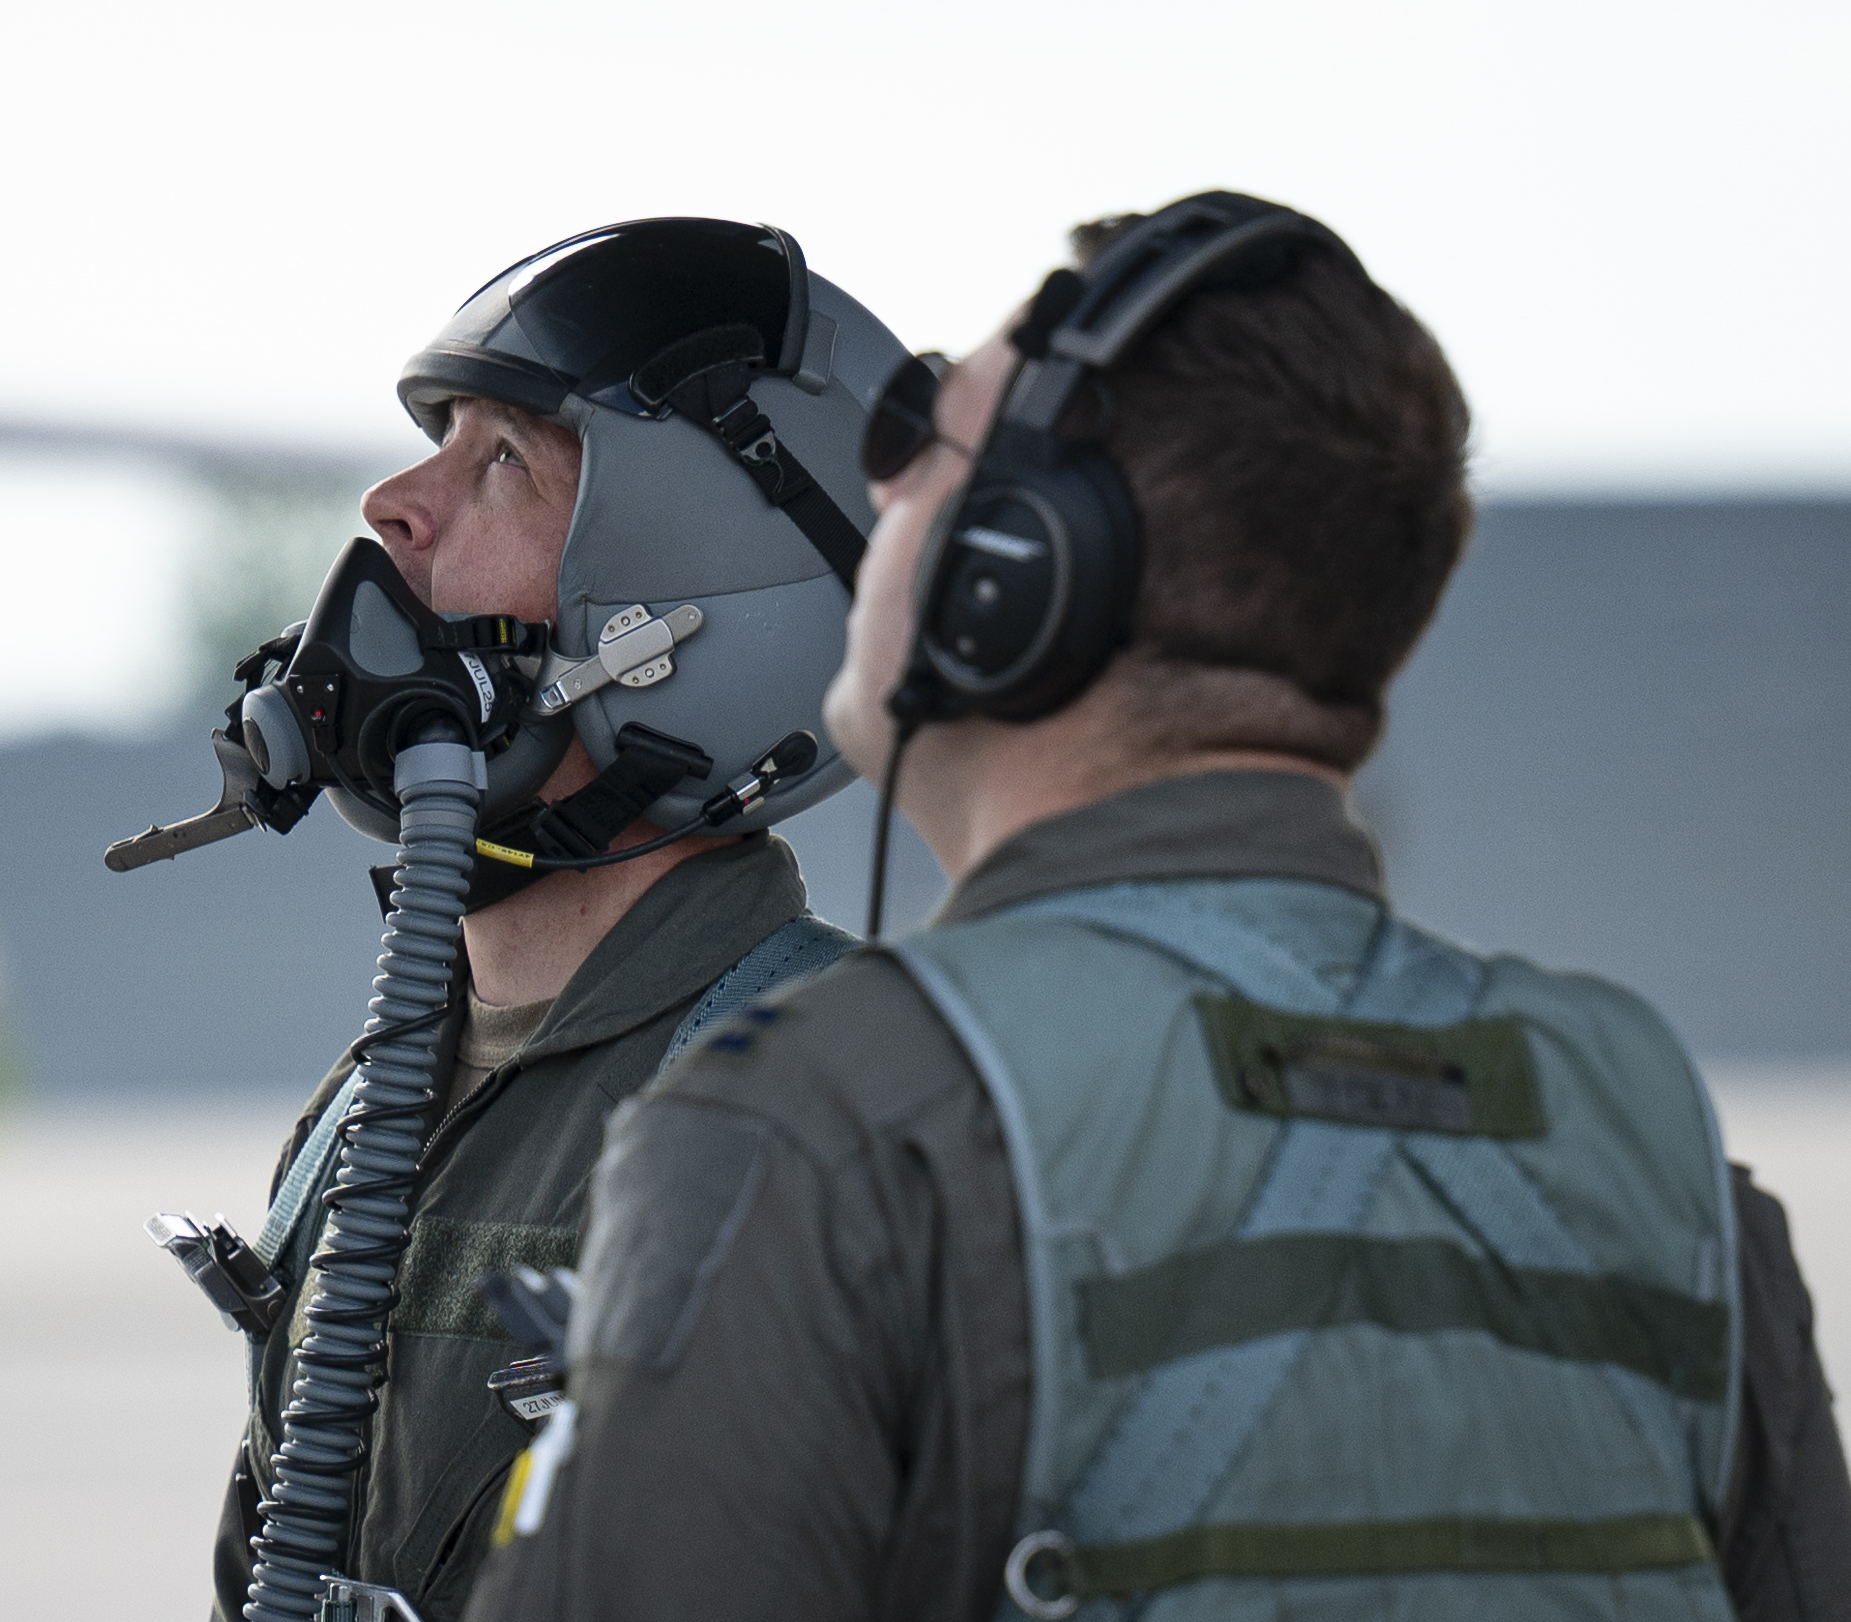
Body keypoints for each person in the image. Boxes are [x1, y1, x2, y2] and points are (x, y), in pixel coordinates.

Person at [471, 192, 1851, 1622]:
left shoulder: (822, 1127)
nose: (877, 494)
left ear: (1019, 568)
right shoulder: (1654, 1136)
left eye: (917, 439)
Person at [201, 220, 909, 1622]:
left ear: (687, 620)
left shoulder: (841, 1111)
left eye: (503, 460)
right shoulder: (366, 1110)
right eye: (435, 441)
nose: (394, 504)